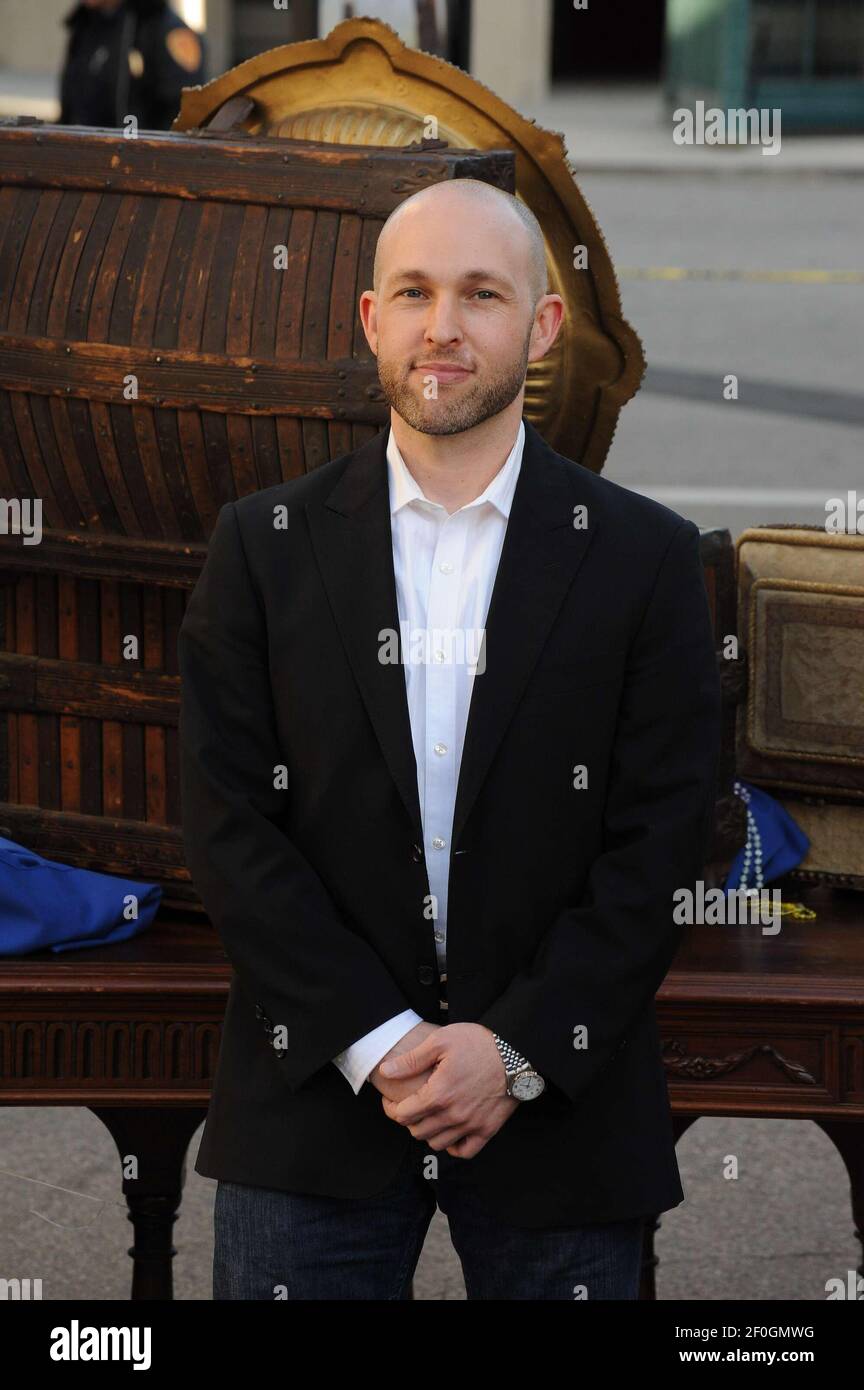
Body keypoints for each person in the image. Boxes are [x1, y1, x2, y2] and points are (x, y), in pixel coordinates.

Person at [178, 178, 723, 1301]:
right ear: (372, 320)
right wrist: (378, 1042)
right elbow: (227, 822)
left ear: (542, 327)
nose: (444, 326)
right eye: (415, 292)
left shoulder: (644, 557)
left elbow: (665, 838)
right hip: (314, 1095)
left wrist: (513, 1052)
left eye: (482, 294)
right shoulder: (263, 548)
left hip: (558, 1104)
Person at [58, 0, 204, 131]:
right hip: (83, 154)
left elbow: (184, 115)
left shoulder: (160, 26)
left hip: (142, 156)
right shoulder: (84, 24)